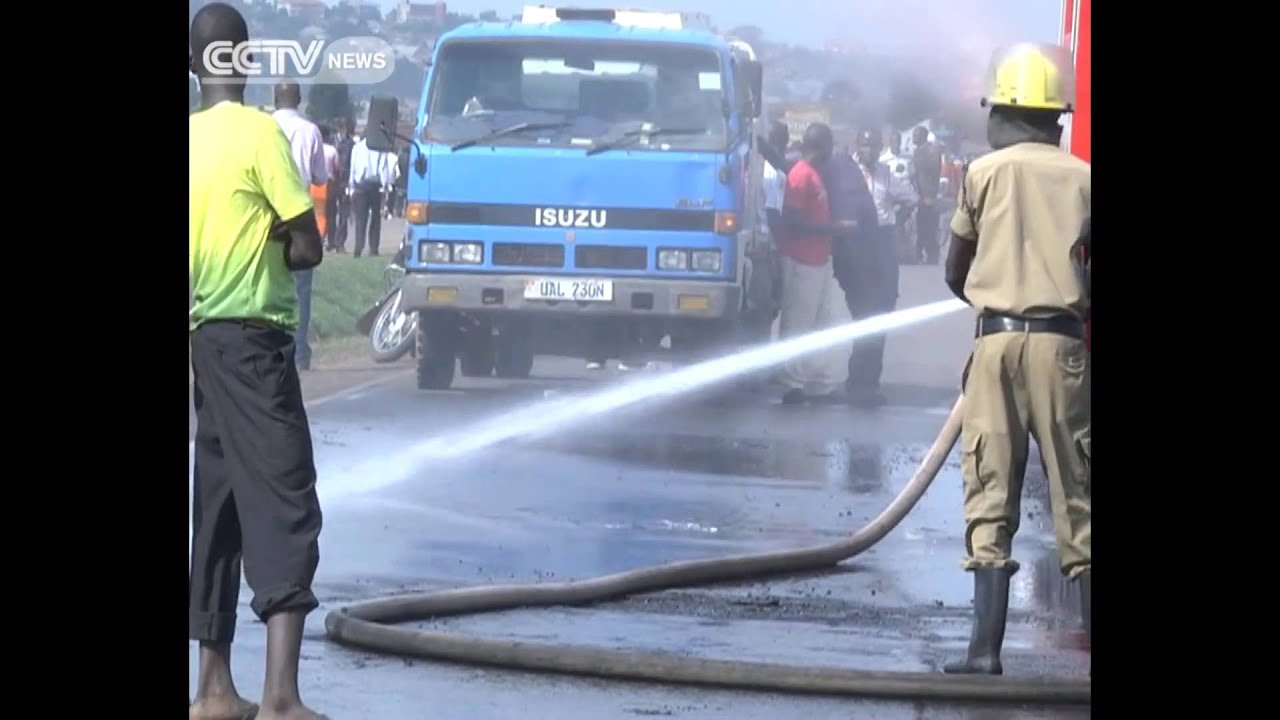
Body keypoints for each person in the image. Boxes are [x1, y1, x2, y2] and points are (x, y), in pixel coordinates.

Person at [188, 4, 327, 719]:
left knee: (218, 508)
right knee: (284, 503)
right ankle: (281, 697)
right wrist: (279, 236)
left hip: (204, 343)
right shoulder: (261, 135)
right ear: (242, 62)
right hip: (256, 343)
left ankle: (211, 687)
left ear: (193, 66)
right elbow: (308, 245)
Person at [941, 42, 1091, 676]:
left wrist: (993, 302)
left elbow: (956, 267)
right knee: (1079, 491)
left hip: (997, 341)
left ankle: (984, 651)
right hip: (1062, 347)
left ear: (1003, 113)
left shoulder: (983, 174)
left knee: (990, 485)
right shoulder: (1084, 177)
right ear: (1056, 119)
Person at [776, 122, 855, 404]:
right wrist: (833, 229)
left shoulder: (813, 174)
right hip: (801, 259)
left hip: (818, 259)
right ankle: (791, 384)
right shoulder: (800, 176)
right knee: (798, 323)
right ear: (824, 147)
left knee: (822, 322)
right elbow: (793, 222)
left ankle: (817, 384)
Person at [839, 129, 917, 407]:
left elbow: (910, 199)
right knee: (861, 316)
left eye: (873, 145)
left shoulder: (887, 174)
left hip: (882, 245)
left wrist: (896, 222)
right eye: (864, 144)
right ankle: (856, 380)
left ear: (880, 147)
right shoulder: (847, 172)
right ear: (856, 145)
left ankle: (870, 383)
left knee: (881, 314)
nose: (868, 150)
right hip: (855, 246)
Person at [272, 81, 329, 371]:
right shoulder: (310, 130)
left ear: (274, 99)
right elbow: (320, 177)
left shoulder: (264, 128)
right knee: (302, 289)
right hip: (300, 214)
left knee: (269, 286)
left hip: (268, 216)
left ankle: (272, 350)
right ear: (299, 100)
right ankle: (300, 354)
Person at [347, 130, 395, 257]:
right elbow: (383, 169)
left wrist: (351, 187)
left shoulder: (357, 148)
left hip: (360, 185)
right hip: (375, 185)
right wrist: (385, 187)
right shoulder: (380, 148)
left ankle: (358, 247)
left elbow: (353, 168)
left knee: (360, 219)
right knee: (375, 219)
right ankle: (373, 248)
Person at [911, 125, 943, 264]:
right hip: (920, 194)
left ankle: (932, 254)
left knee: (928, 226)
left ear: (924, 136)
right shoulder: (918, 151)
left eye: (916, 135)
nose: (913, 138)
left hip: (928, 194)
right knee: (922, 225)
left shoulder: (930, 151)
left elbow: (933, 169)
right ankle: (920, 253)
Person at [329, 119, 356, 253]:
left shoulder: (335, 144)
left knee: (336, 213)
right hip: (342, 181)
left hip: (336, 181)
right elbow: (347, 165)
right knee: (341, 213)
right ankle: (337, 242)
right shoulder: (350, 145)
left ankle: (335, 241)